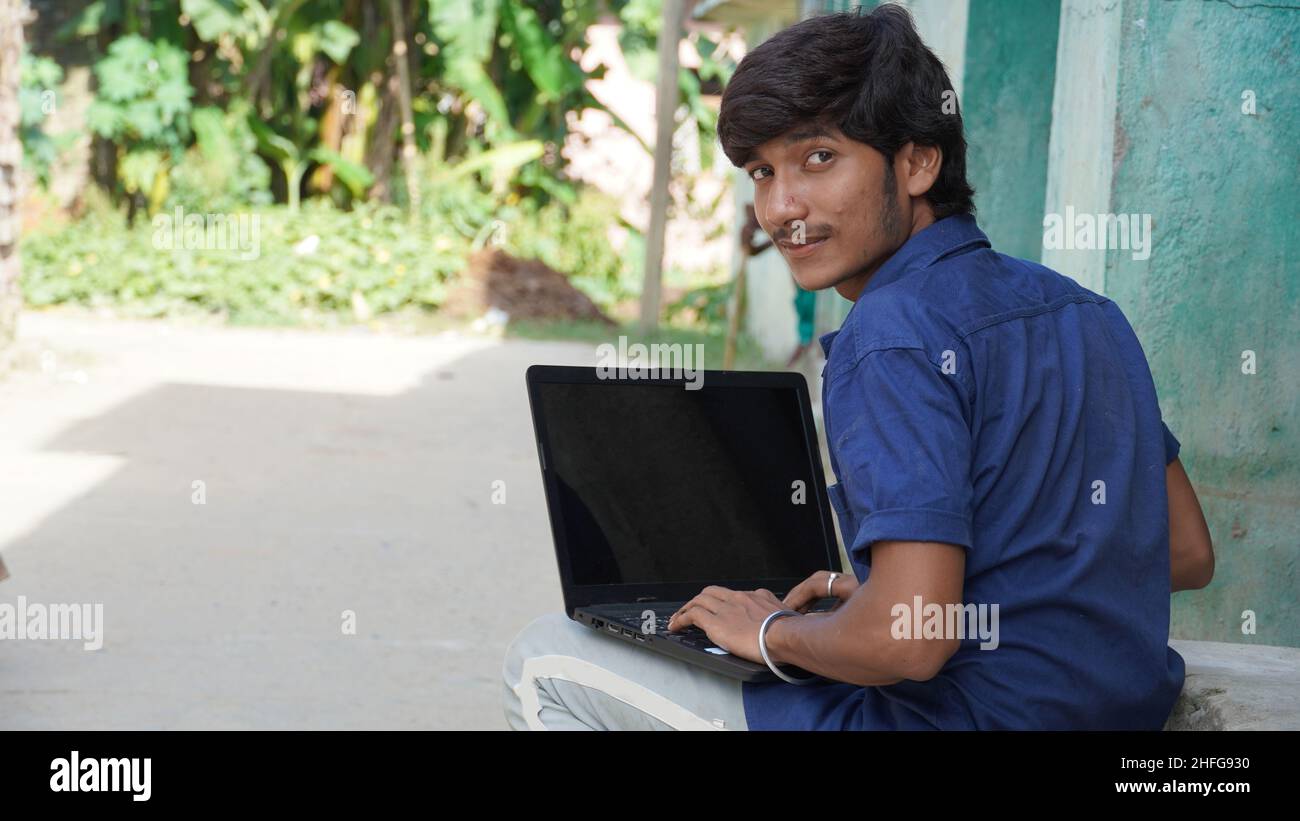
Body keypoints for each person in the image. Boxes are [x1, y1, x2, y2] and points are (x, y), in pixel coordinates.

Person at [502, 4, 1214, 731]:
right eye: (760, 171)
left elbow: (907, 642)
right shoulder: (1087, 313)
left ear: (916, 162)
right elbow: (1184, 551)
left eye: (818, 158)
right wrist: (880, 597)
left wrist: (771, 632)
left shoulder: (892, 332)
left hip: (952, 719)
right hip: (1117, 717)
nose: (781, 208)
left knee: (545, 659)